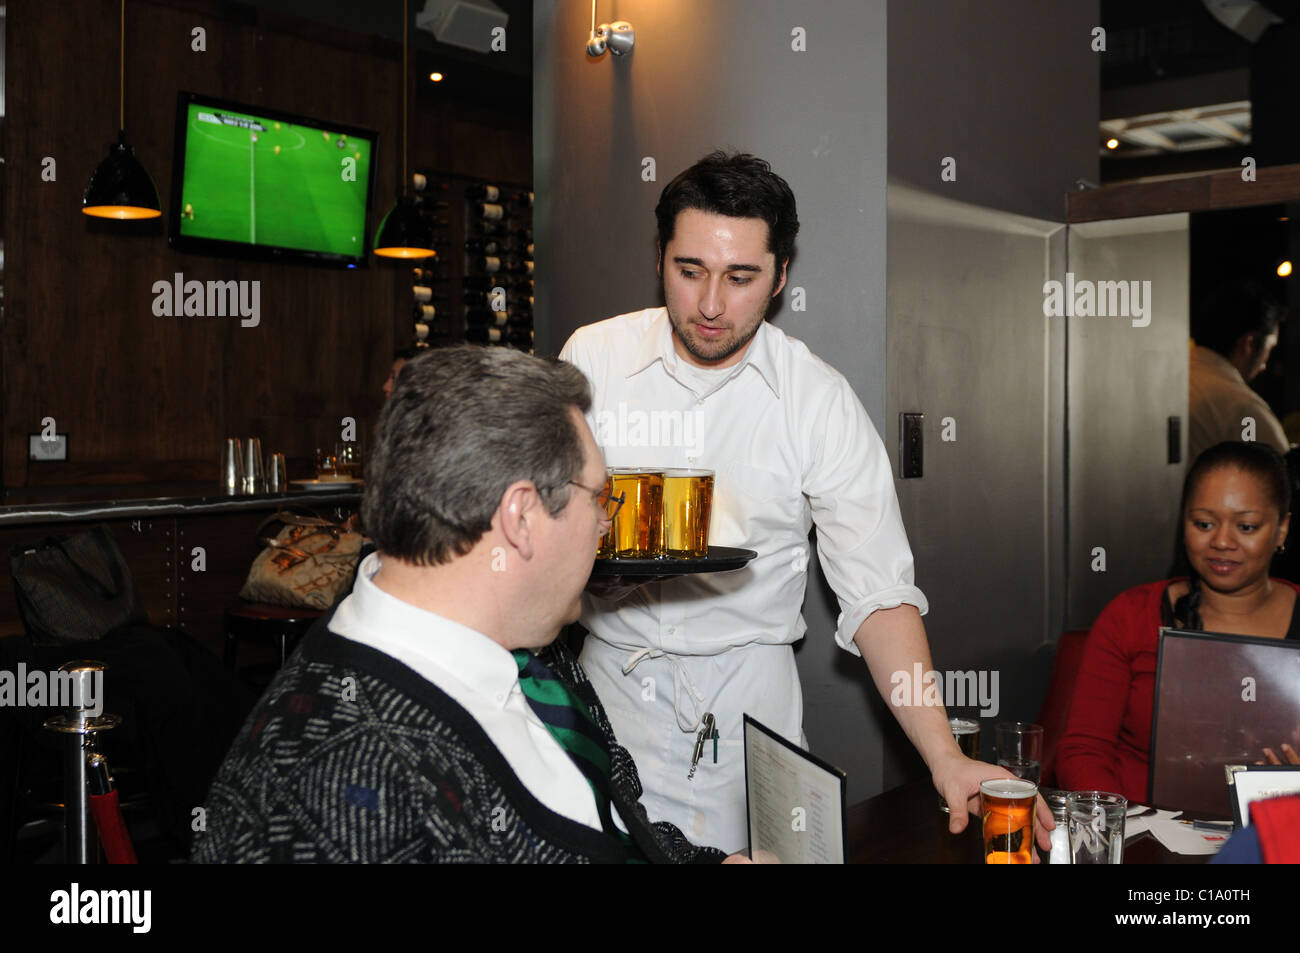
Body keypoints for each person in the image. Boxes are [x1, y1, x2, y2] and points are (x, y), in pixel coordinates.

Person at [560, 151, 1047, 853]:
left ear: (781, 276)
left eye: (741, 277)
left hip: (748, 703)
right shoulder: (594, 357)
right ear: (659, 258)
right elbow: (538, 519)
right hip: (608, 692)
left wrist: (943, 753)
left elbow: (880, 594)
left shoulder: (816, 398)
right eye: (688, 270)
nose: (709, 304)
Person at [193, 346, 736, 863]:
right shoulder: (333, 782)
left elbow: (613, 824)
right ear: (520, 516)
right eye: (597, 498)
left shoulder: (531, 657)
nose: (604, 523)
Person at [1058, 442, 1298, 804]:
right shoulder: (1131, 616)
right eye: (1203, 523)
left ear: (1281, 530)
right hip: (1143, 837)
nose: (1221, 541)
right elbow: (1084, 750)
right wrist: (1116, 829)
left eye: (1246, 526)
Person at [1188, 280, 1290, 462]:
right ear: (1249, 343)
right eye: (1269, 349)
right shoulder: (1242, 408)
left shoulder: (1176, 377)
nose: (1264, 365)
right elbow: (1282, 481)